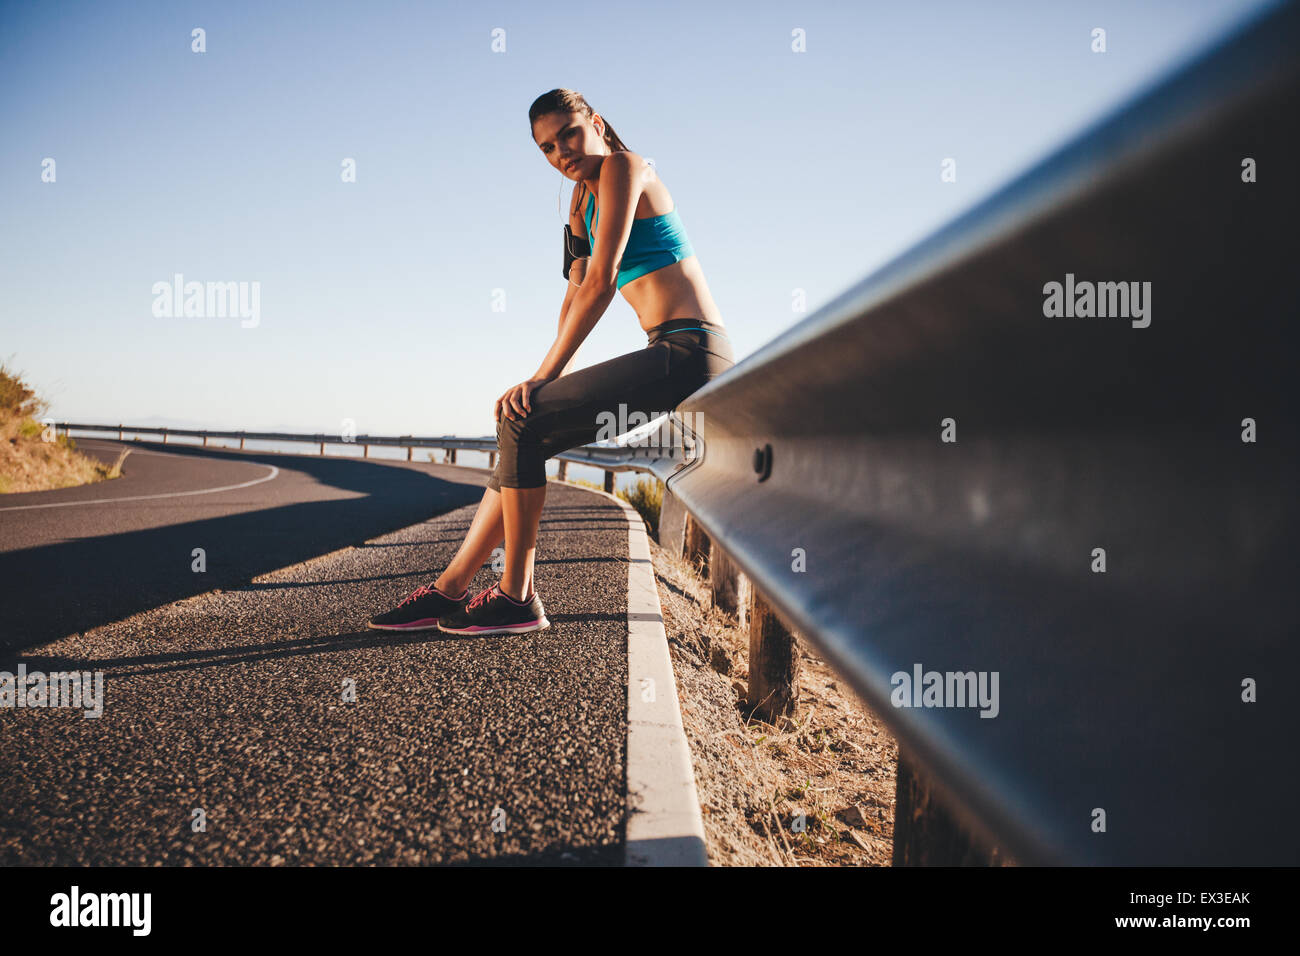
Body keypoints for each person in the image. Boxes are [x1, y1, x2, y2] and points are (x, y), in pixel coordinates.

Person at [368, 88, 734, 635]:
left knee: (525, 416)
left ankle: (517, 596)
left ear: (598, 124)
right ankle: (451, 589)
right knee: (520, 422)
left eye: (569, 134)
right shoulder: (579, 201)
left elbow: (604, 283)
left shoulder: (625, 167)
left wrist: (543, 378)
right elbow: (576, 289)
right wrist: (539, 379)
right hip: (666, 349)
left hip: (692, 351)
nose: (561, 152)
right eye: (546, 148)